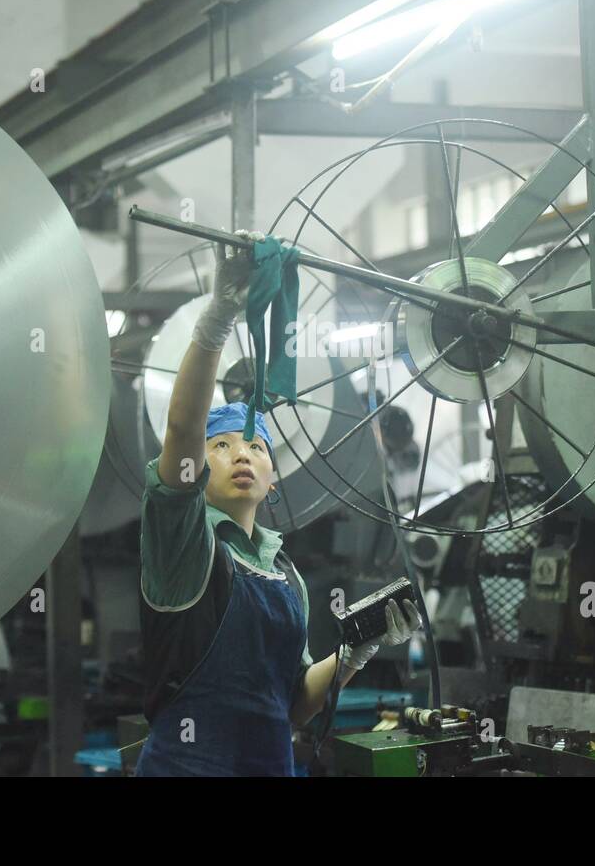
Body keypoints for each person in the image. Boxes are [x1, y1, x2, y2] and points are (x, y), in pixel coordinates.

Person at [133, 229, 421, 776]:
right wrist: (219, 316)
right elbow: (182, 426)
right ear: (198, 463)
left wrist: (356, 652)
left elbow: (292, 704)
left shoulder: (285, 575)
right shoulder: (185, 546)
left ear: (274, 479)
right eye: (221, 446)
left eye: (256, 446)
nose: (241, 454)